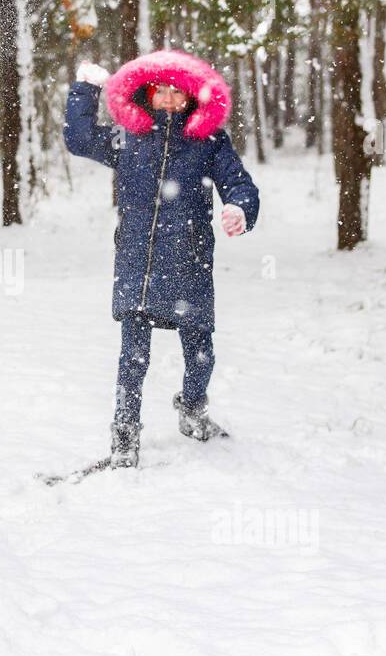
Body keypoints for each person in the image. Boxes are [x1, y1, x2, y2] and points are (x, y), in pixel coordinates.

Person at [63, 49, 260, 467]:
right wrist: (85, 88)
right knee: (133, 357)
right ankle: (124, 437)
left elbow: (240, 184)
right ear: (146, 94)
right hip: (139, 261)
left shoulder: (209, 143)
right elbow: (78, 139)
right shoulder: (129, 139)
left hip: (189, 262)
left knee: (200, 351)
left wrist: (241, 208)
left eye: (178, 93)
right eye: (161, 92)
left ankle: (192, 409)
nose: (170, 100)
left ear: (192, 98)